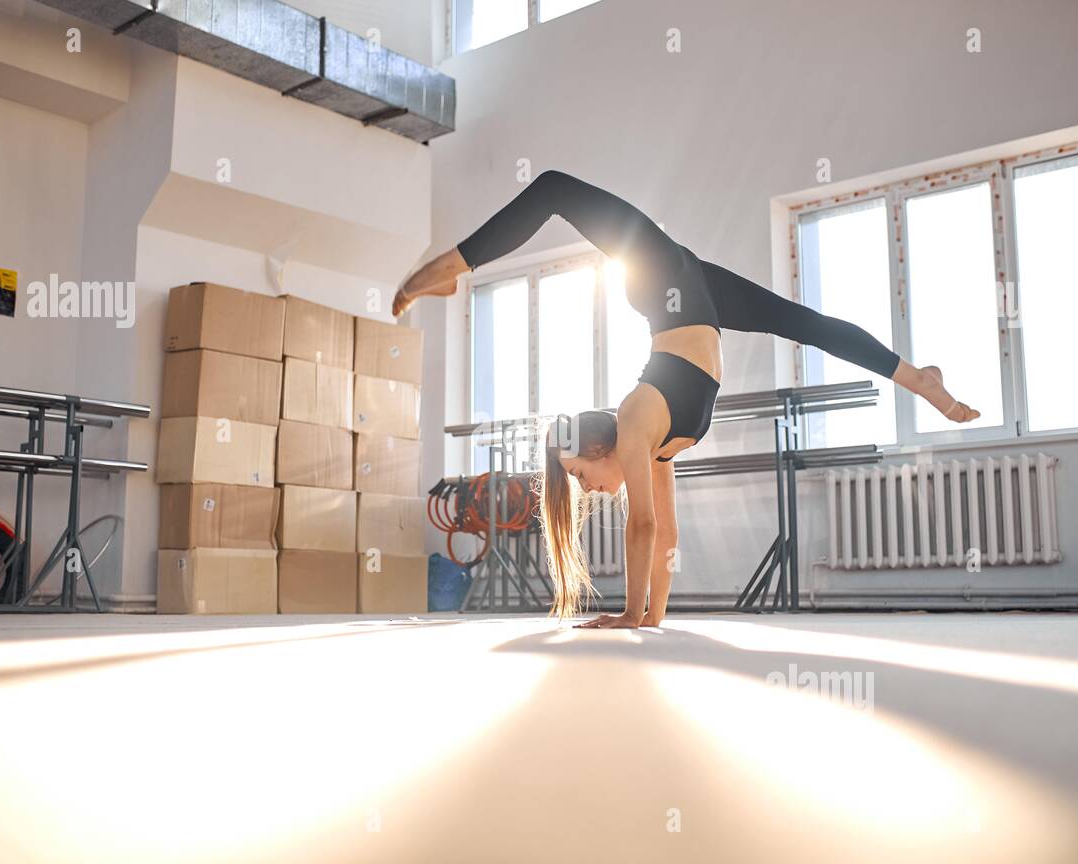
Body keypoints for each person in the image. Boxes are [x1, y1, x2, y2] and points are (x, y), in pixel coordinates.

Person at [393, 170, 978, 628]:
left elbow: (642, 526)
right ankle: (915, 377)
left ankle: (451, 267)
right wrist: (651, 616)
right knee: (804, 323)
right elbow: (667, 534)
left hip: (662, 280)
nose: (591, 489)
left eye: (581, 476)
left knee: (554, 188)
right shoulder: (653, 447)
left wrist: (627, 615)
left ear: (600, 447)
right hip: (693, 296)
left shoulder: (634, 420)